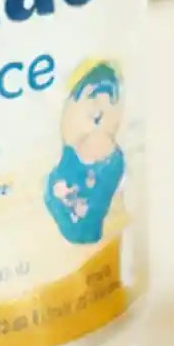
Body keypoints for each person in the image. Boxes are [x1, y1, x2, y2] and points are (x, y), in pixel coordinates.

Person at [44, 61, 126, 245]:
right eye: (92, 98)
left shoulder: (112, 162)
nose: (98, 112)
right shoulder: (63, 164)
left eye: (109, 101)